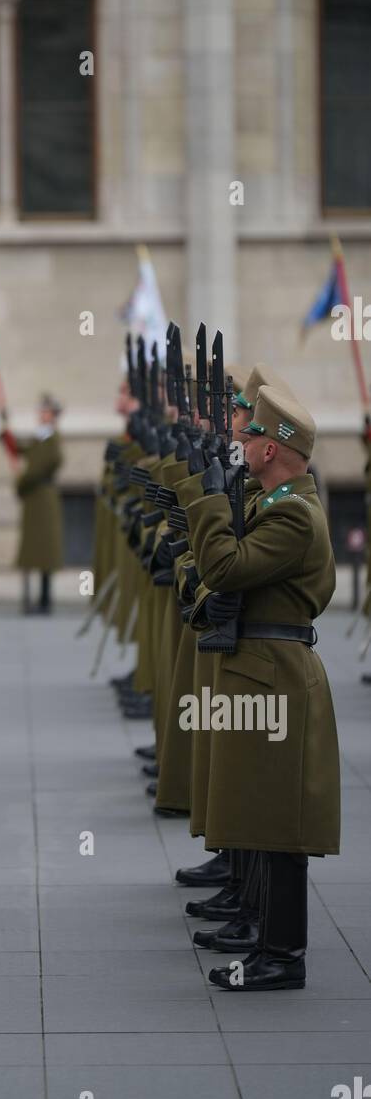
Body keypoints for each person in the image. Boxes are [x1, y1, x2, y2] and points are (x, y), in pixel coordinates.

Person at [183, 386, 339, 991]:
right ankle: (262, 935)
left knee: (278, 825)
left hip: (276, 674)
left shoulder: (294, 515)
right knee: (256, 810)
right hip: (261, 669)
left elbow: (226, 568)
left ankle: (282, 954)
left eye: (248, 438)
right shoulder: (277, 501)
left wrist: (210, 501)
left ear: (271, 448)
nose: (240, 443)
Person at [4, 393, 64, 614]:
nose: (41, 415)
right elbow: (22, 450)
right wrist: (7, 434)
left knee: (44, 552)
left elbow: (39, 467)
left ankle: (45, 600)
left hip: (43, 499)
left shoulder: (52, 440)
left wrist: (20, 483)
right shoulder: (40, 438)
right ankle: (30, 599)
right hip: (33, 500)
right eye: (41, 411)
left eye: (45, 411)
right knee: (30, 551)